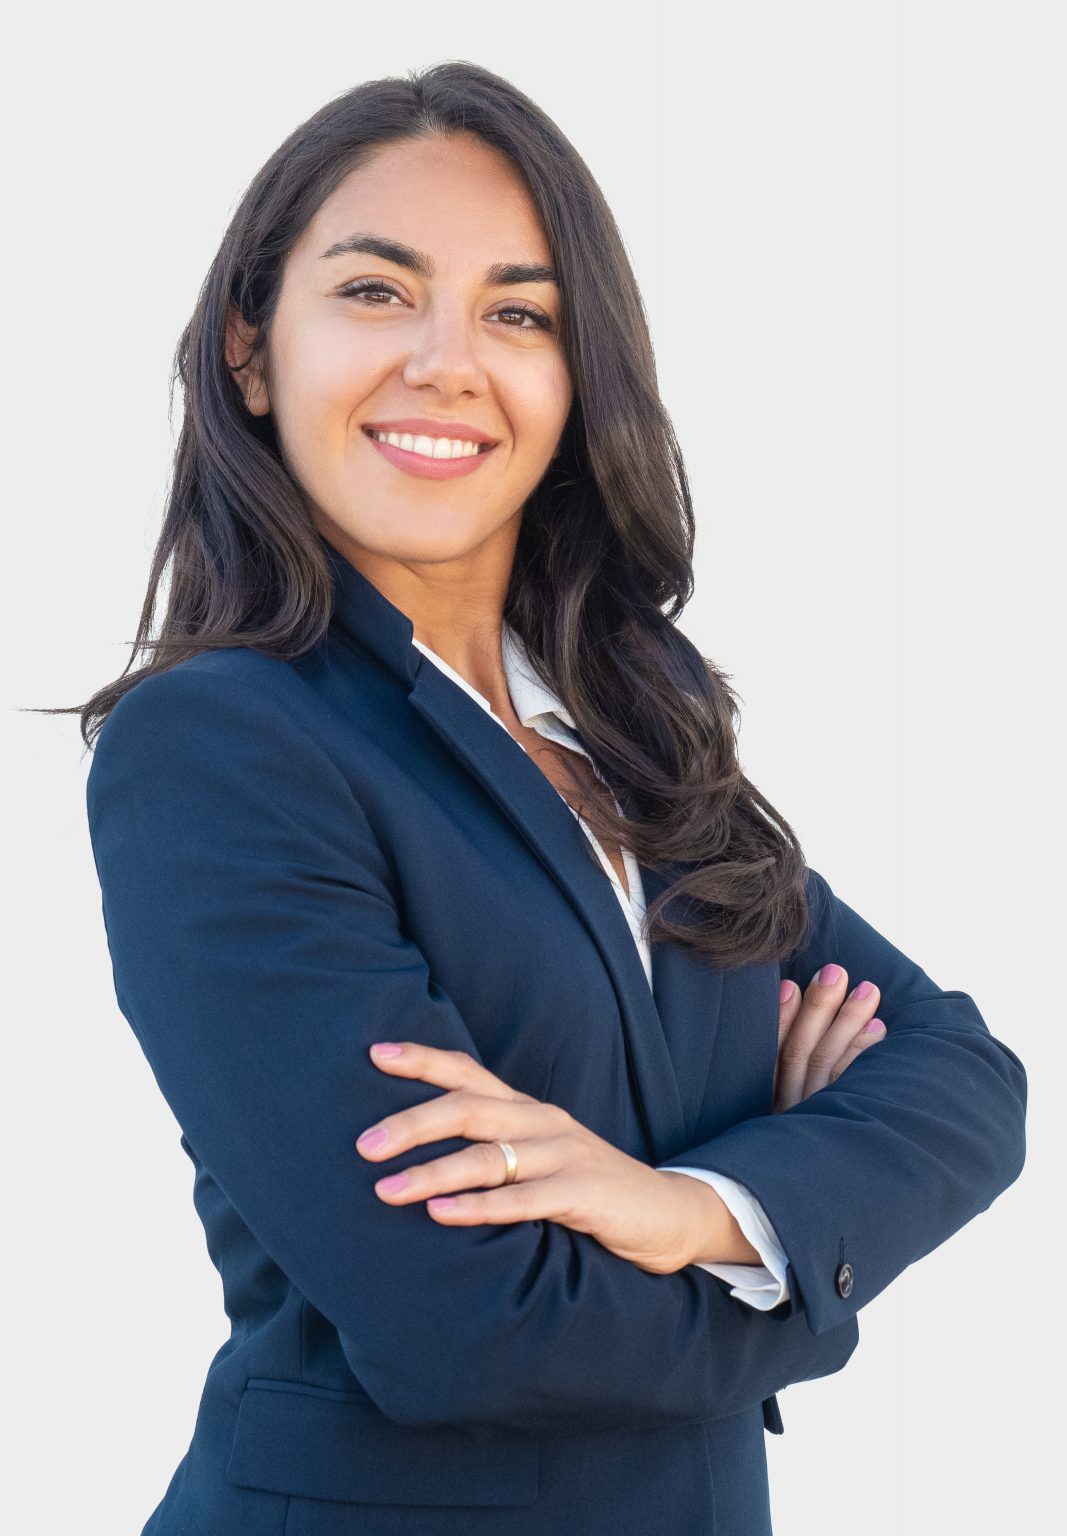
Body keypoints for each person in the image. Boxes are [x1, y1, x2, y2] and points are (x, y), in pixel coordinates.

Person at [72, 62, 1026, 1536]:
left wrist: (683, 1209)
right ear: (253, 352)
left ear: (579, 382)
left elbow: (962, 1075)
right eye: (376, 293)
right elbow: (470, 1327)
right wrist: (795, 1243)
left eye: (519, 315)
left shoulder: (641, 727)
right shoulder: (221, 750)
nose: (448, 364)